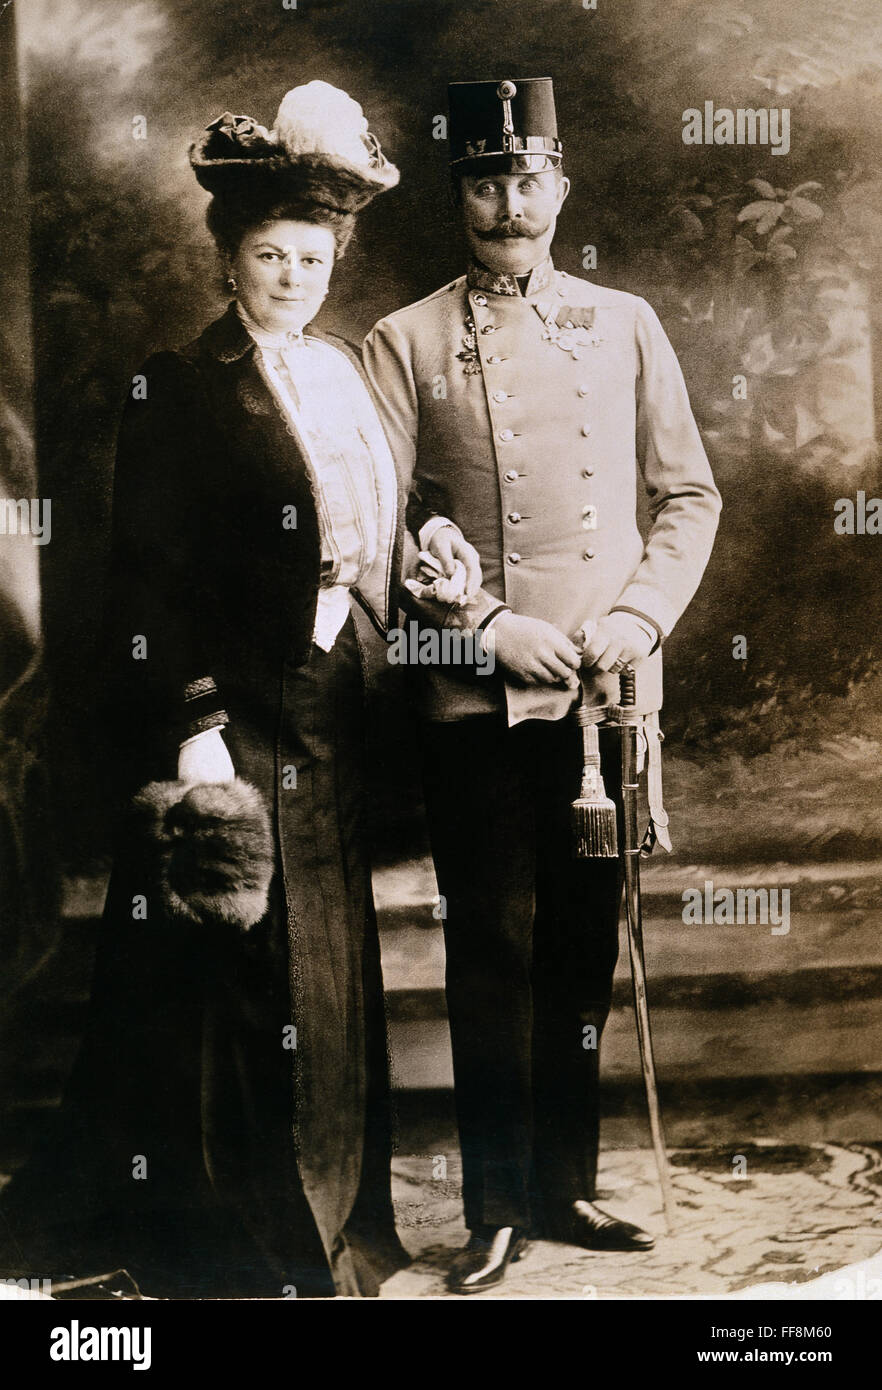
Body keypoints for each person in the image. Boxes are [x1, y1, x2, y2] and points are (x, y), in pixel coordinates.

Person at [0, 81, 410, 1299]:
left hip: (334, 701)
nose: (296, 276)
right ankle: (237, 1236)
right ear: (231, 260)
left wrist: (429, 553)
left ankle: (342, 1220)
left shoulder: (342, 372)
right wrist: (192, 727)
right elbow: (144, 575)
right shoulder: (178, 383)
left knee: (330, 957)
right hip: (236, 710)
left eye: (315, 257)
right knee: (240, 966)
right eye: (271, 255)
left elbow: (372, 517)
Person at [363, 76, 722, 1294]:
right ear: (458, 193)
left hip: (610, 700)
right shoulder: (402, 340)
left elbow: (688, 499)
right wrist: (486, 627)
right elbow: (375, 532)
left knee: (579, 953)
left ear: (561, 186)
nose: (509, 203)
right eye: (484, 180)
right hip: (478, 701)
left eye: (528, 179)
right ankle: (496, 1206)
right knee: (494, 953)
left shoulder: (626, 323)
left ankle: (566, 1182)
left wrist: (637, 614)